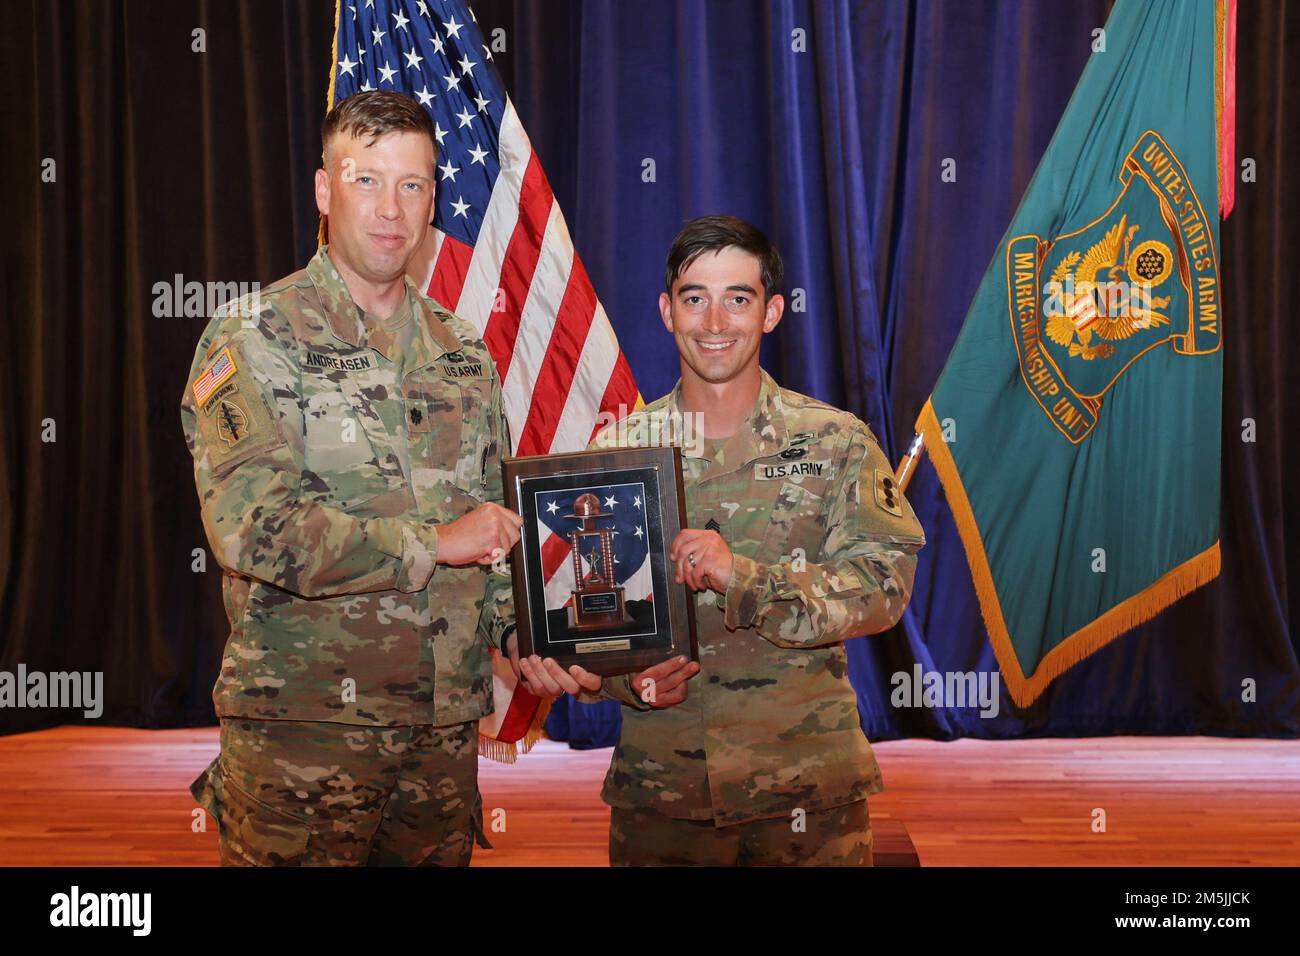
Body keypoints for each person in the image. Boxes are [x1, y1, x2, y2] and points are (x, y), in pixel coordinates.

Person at [181, 90, 582, 866]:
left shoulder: (463, 352)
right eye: (366, 179)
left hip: (440, 740)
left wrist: (523, 635)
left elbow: (492, 528)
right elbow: (254, 531)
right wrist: (436, 542)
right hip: (306, 735)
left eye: (413, 184)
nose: (391, 208)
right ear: (325, 191)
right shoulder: (254, 337)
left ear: (435, 198)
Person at [568, 215, 926, 866]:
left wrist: (746, 577)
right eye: (694, 298)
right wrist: (629, 686)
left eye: (738, 298)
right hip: (663, 797)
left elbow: (884, 586)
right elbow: (588, 621)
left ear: (772, 312)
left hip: (806, 793)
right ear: (666, 311)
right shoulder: (618, 453)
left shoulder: (837, 440)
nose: (714, 321)